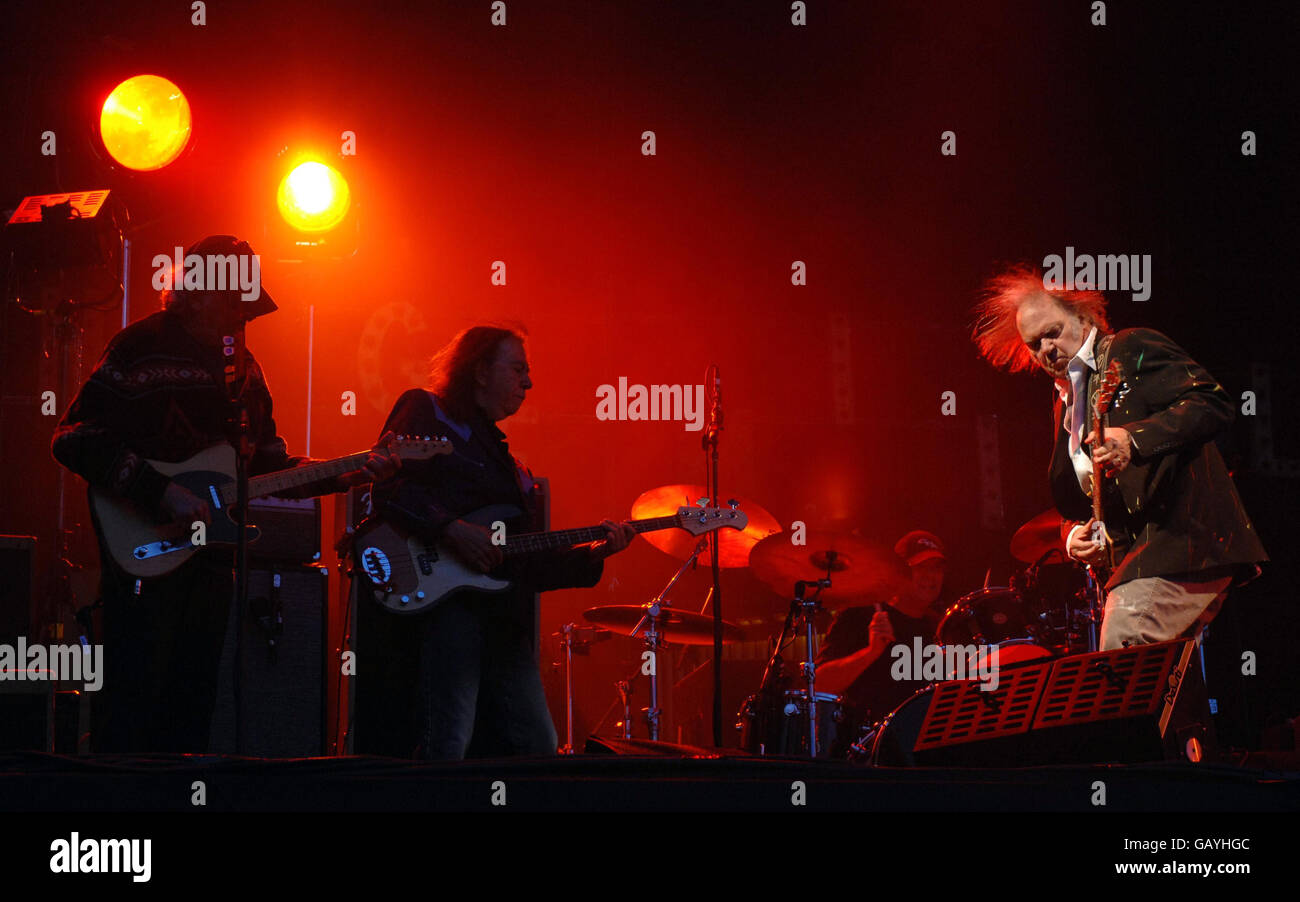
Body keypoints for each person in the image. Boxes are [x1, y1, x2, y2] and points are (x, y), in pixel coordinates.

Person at [51, 234, 398, 753]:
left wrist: (352, 472)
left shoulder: (246, 371)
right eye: (236, 303)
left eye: (248, 309)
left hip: (212, 561)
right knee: (133, 701)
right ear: (197, 290)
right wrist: (159, 491)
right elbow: (74, 437)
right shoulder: (138, 348)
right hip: (142, 549)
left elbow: (267, 465)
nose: (244, 319)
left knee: (193, 702)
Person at [364, 325, 637, 759]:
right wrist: (452, 530)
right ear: (479, 370)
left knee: (538, 746)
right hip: (445, 608)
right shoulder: (426, 410)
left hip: (503, 619)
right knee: (447, 741)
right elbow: (386, 489)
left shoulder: (510, 467)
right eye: (518, 368)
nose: (527, 382)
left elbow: (524, 562)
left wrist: (595, 553)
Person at [972, 264, 1267, 649]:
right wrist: (1072, 536)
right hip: (1139, 557)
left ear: (1081, 316)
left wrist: (1134, 439)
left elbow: (1212, 403)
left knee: (1121, 652)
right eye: (1034, 344)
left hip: (1182, 542)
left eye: (1052, 333)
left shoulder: (1129, 347)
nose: (1045, 349)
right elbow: (1081, 497)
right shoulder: (1065, 402)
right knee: (1160, 685)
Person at [815, 530, 952, 727]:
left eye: (936, 568)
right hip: (870, 748)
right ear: (897, 571)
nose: (930, 576)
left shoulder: (941, 627)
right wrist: (870, 653)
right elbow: (819, 684)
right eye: (920, 567)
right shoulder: (861, 615)